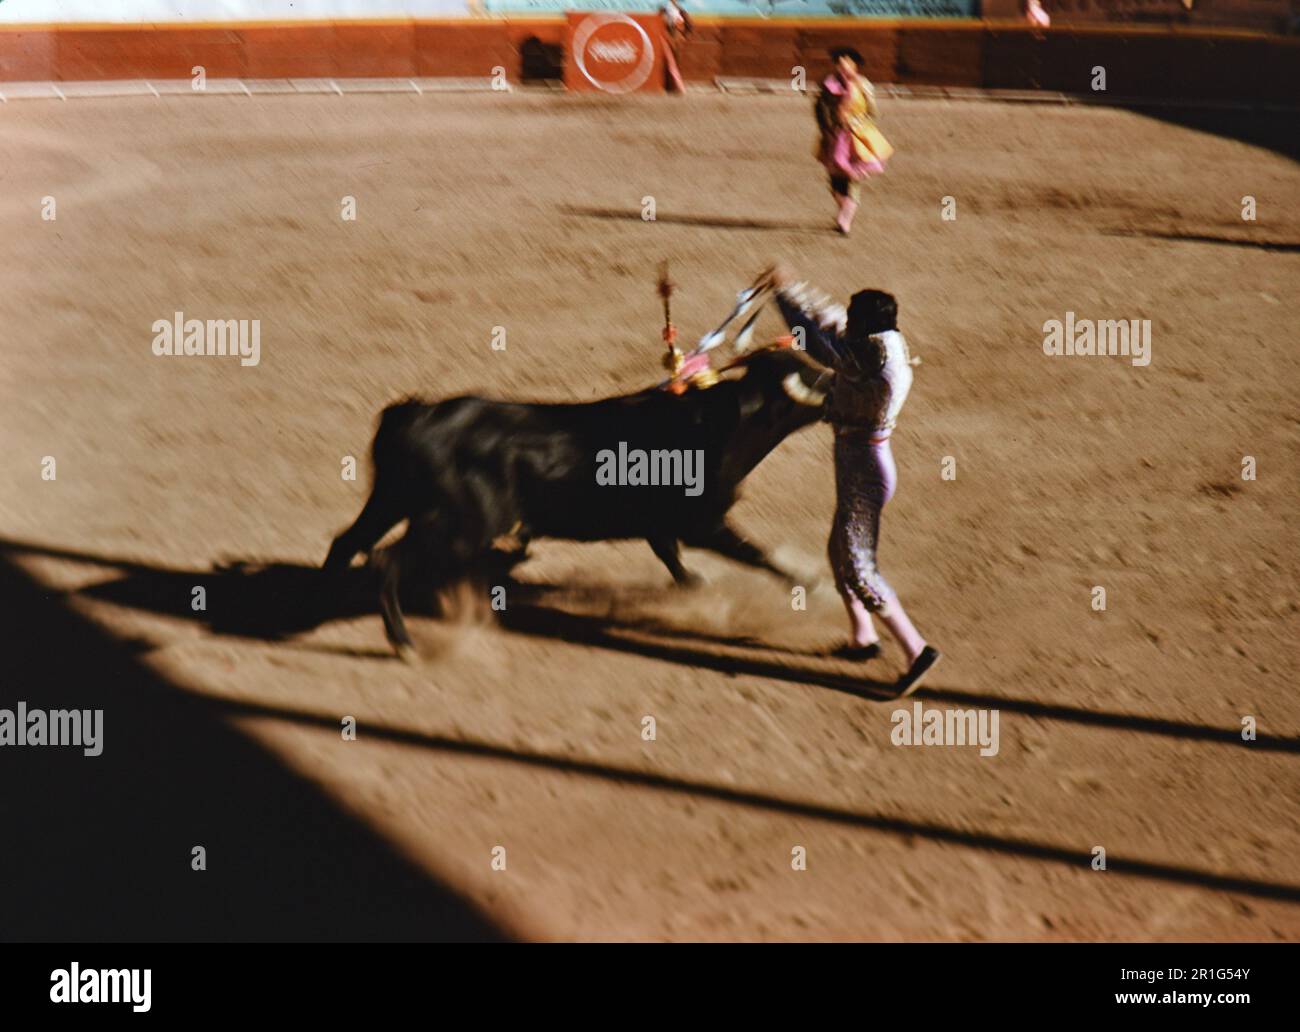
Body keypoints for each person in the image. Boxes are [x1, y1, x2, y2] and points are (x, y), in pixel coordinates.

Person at [754, 263, 940, 696]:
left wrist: (783, 300)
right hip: (864, 463)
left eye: (856, 319)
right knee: (839, 554)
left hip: (864, 473)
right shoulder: (882, 341)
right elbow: (834, 321)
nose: (848, 323)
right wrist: (794, 289)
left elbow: (816, 343)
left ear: (867, 326)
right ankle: (863, 637)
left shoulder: (868, 356)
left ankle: (916, 649)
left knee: (858, 567)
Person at [815, 47, 893, 236]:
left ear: (855, 65)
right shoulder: (830, 84)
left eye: (847, 63)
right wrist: (827, 129)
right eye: (840, 63)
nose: (843, 66)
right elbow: (820, 109)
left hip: (857, 136)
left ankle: (845, 220)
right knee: (835, 181)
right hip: (835, 135)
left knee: (853, 179)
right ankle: (844, 210)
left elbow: (873, 113)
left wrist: (857, 124)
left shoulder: (864, 86)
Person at [661, 0, 693, 94]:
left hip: (675, 37)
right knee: (668, 61)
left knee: (674, 60)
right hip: (668, 37)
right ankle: (669, 85)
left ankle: (673, 86)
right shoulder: (665, 9)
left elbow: (689, 25)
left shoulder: (680, 11)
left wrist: (684, 36)